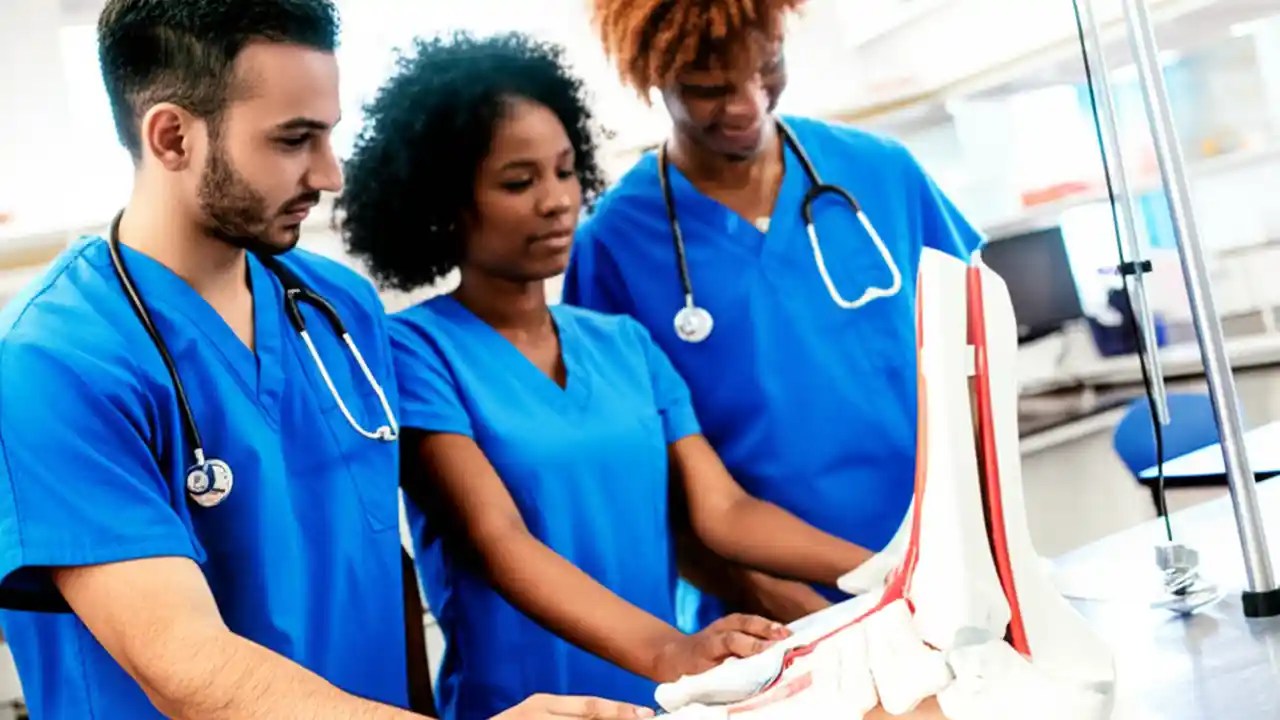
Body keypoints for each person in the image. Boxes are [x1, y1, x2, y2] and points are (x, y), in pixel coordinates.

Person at [0, 3, 649, 719]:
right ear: (173, 135)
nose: (331, 174)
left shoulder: (340, 309)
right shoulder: (54, 361)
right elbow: (184, 666)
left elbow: (381, 562)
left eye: (329, 135)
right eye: (294, 140)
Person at [337, 32, 876, 720]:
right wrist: (669, 649)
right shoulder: (416, 352)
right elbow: (499, 540)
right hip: (525, 708)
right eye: (518, 182)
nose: (558, 201)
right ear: (443, 203)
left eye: (564, 171)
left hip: (661, 704)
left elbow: (726, 513)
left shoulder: (624, 344)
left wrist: (879, 568)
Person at [564, 0, 986, 627]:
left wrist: (982, 528)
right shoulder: (613, 245)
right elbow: (636, 468)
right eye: (709, 89)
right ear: (652, 75)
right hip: (773, 605)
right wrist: (750, 586)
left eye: (767, 69)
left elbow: (977, 350)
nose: (749, 106)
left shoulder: (881, 171)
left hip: (944, 564)